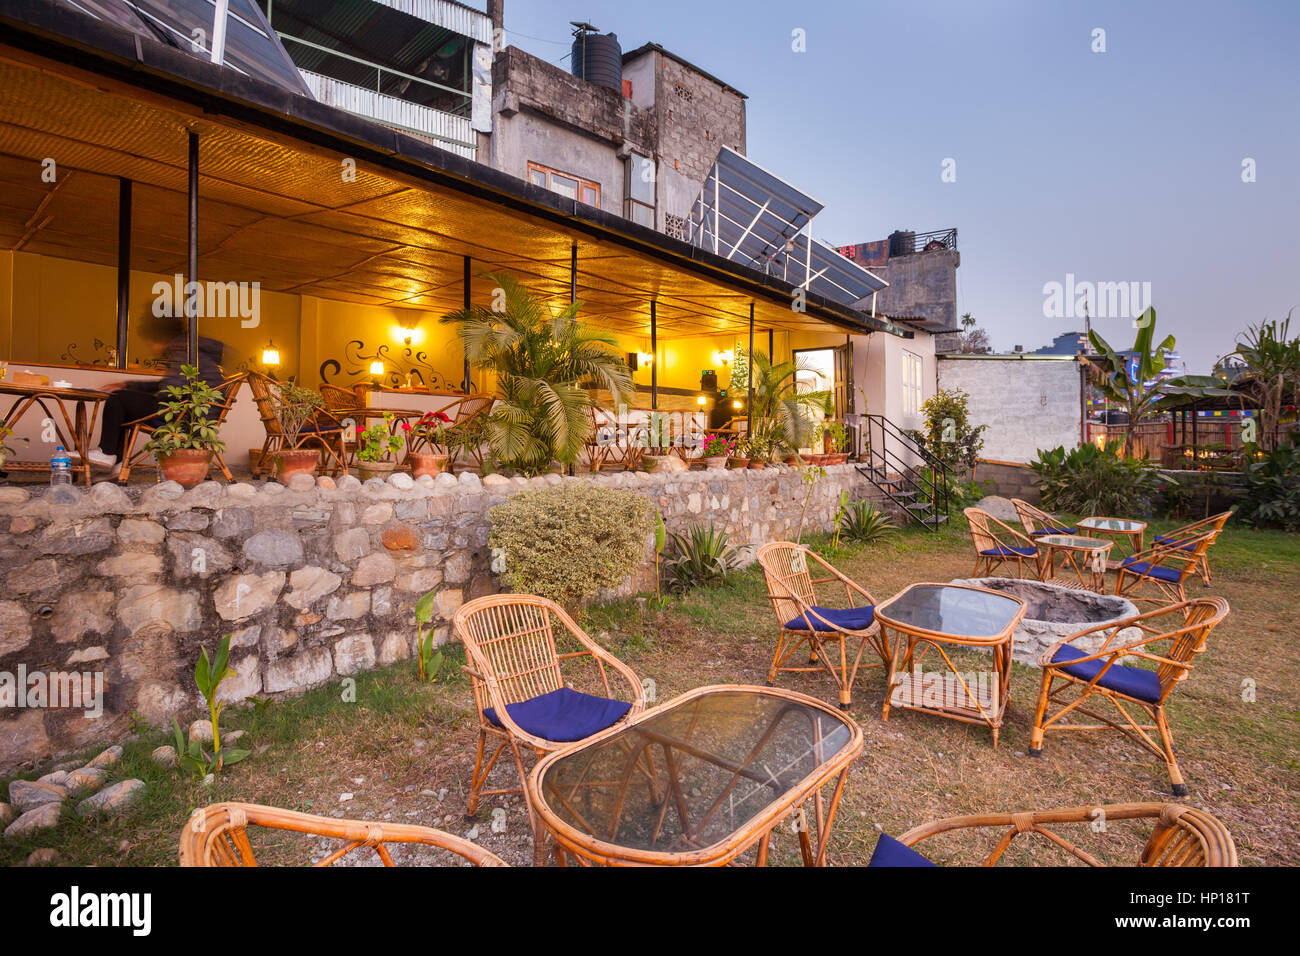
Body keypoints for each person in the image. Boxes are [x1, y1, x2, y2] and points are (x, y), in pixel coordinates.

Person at [87, 314, 226, 476]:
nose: (151, 347)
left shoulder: (183, 351)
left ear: (161, 338)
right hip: (193, 415)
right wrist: (130, 385)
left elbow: (172, 389)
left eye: (151, 342)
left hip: (183, 418)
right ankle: (117, 462)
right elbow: (173, 386)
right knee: (126, 400)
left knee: (118, 399)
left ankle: (107, 452)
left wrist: (132, 392)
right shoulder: (195, 352)